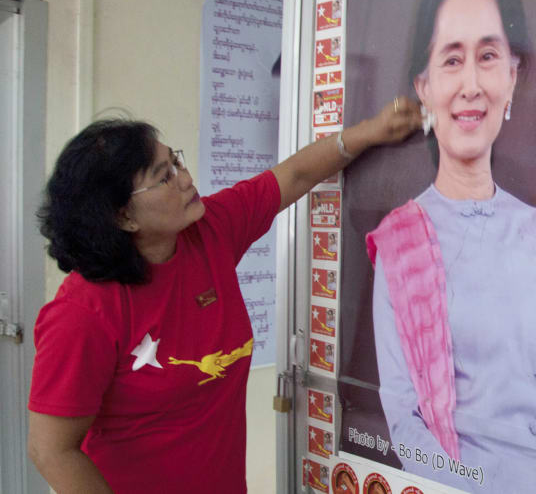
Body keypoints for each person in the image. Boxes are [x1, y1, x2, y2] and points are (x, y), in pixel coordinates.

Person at [26, 100, 420, 493]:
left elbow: (295, 175)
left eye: (176, 162)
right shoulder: (83, 313)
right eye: (164, 178)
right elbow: (51, 451)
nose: (185, 179)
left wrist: (373, 131)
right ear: (122, 216)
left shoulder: (209, 232)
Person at [368, 0, 536, 493]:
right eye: (452, 60)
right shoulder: (400, 245)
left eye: (488, 56)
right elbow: (407, 429)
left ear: (512, 77)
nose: (472, 84)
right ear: (424, 86)